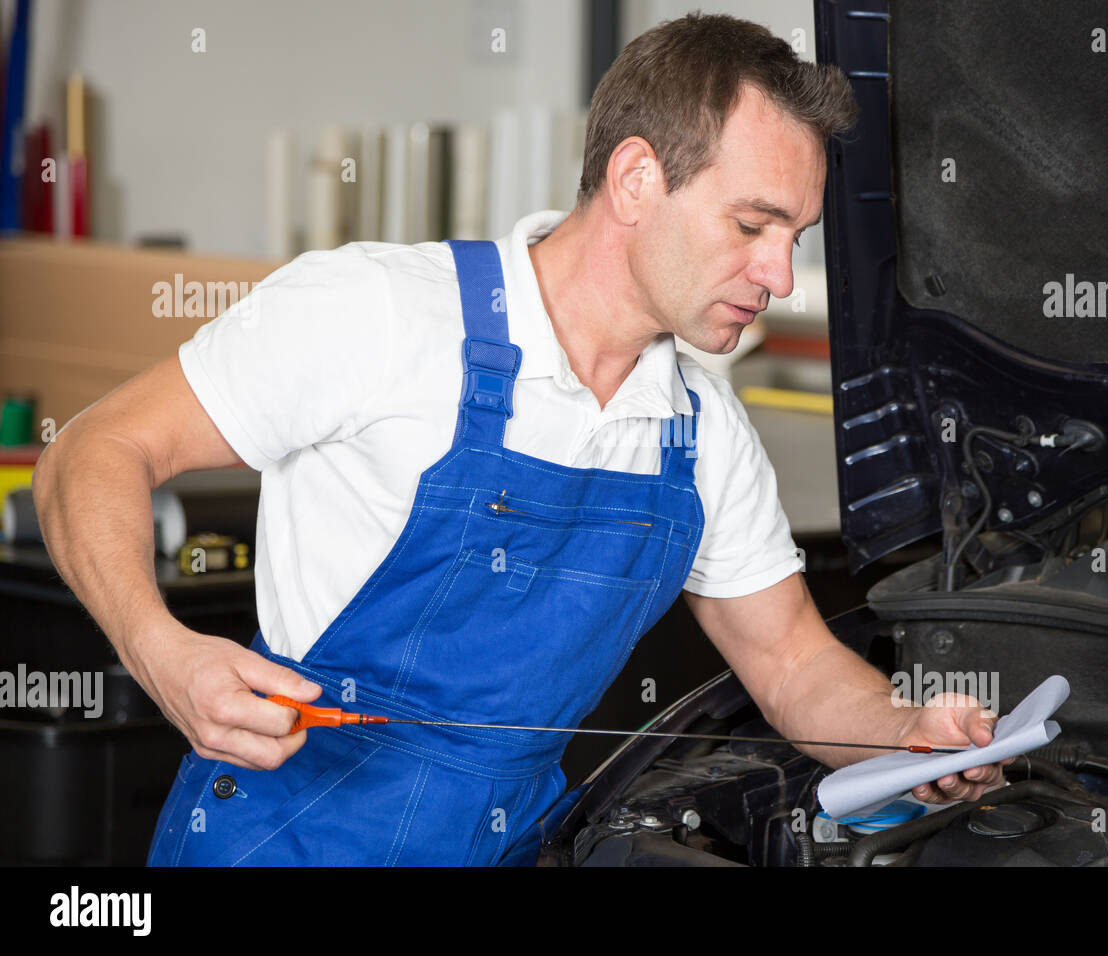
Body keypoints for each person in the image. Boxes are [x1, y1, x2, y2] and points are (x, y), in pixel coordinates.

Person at [32, 13, 1007, 866]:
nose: (778, 275)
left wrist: (907, 732)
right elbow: (94, 448)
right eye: (753, 224)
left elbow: (791, 662)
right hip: (290, 842)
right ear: (634, 178)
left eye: (792, 236)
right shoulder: (380, 313)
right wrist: (160, 649)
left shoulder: (699, 433)